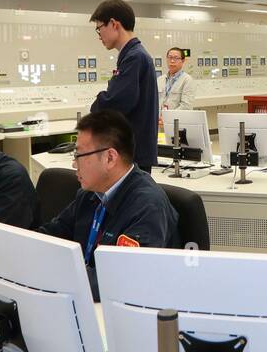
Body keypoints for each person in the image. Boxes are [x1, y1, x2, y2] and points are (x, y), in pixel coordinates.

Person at [39, 111, 180, 300]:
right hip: (86, 298)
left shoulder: (147, 207)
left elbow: (120, 279)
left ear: (110, 158)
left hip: (127, 310)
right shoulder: (90, 194)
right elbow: (52, 235)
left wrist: (49, 278)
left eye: (79, 155)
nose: (74, 164)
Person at [89, 0, 159, 172]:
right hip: (132, 151)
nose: (99, 36)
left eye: (99, 28)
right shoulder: (133, 55)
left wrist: (98, 102)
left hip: (132, 155)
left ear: (113, 24)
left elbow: (115, 103)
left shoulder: (134, 57)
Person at [159, 48, 196, 125]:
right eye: (170, 57)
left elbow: (186, 107)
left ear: (182, 61)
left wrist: (168, 118)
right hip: (159, 122)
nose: (172, 61)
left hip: (176, 124)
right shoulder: (160, 79)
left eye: (176, 58)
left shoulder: (187, 80)